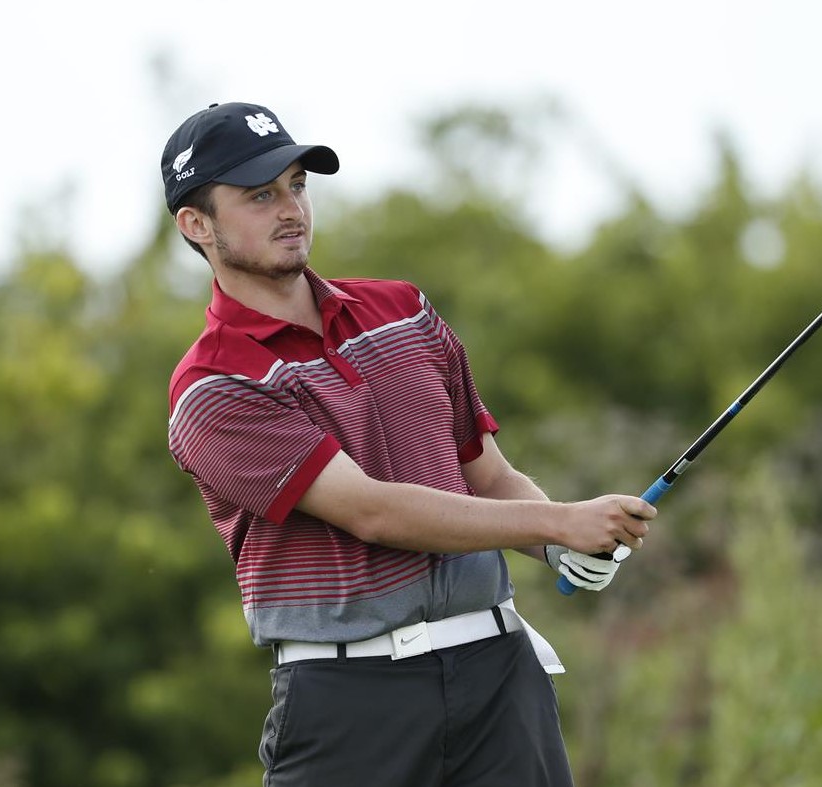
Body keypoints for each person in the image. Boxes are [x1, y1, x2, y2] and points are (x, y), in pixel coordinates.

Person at [161, 101, 656, 787]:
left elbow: (486, 474)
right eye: (260, 196)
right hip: (349, 703)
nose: (292, 210)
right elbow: (373, 511)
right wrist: (559, 521)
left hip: (498, 679)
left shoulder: (403, 311)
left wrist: (561, 548)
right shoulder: (213, 385)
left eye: (297, 186)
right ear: (196, 224)